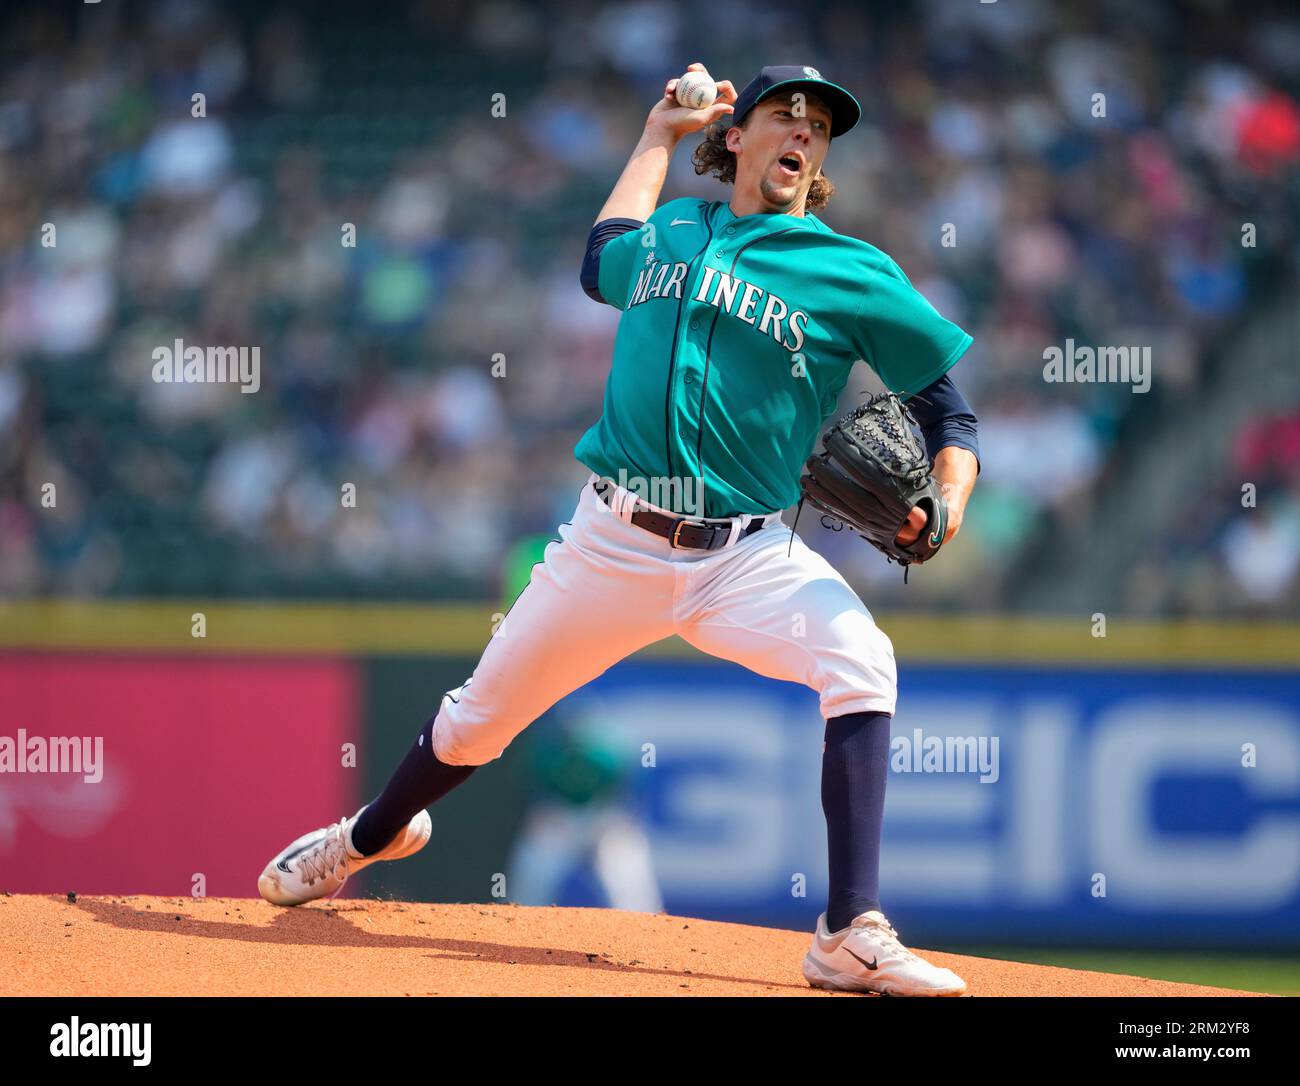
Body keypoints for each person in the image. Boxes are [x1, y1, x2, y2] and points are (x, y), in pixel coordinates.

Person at [258, 63, 980, 997]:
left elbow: (950, 418)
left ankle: (849, 929)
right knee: (476, 724)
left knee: (864, 662)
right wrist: (656, 135)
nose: (802, 133)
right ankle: (362, 839)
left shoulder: (851, 273)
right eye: (783, 115)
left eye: (819, 127)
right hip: (611, 543)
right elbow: (601, 257)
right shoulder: (677, 227)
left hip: (749, 555)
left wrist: (949, 503)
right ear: (738, 136)